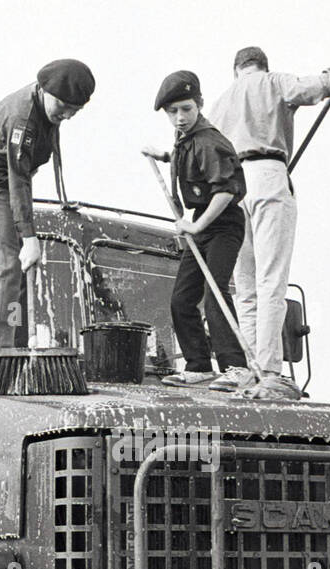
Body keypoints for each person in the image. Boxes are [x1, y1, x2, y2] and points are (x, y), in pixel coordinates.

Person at [209, 47, 330, 399]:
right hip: (268, 174)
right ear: (262, 65)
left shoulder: (220, 102)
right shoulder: (272, 81)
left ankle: (249, 366)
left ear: (235, 70)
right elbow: (314, 88)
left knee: (244, 287)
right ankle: (270, 369)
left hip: (231, 188)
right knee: (271, 279)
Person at [0, 59, 95, 364]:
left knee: (19, 272)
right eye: (63, 106)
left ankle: (15, 339)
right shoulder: (21, 118)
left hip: (13, 180)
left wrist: (63, 197)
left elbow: (53, 148)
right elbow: (18, 178)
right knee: (8, 265)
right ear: (44, 90)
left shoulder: (47, 108)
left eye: (75, 110)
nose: (67, 115)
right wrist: (30, 237)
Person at [143, 70, 248, 389]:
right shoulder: (187, 138)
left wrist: (197, 224)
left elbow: (226, 191)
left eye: (186, 109)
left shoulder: (210, 141)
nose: (179, 117)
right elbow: (185, 158)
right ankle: (199, 365)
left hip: (223, 223)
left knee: (215, 291)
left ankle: (236, 367)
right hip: (202, 224)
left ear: (199, 105)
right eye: (172, 112)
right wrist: (164, 156)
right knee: (182, 299)